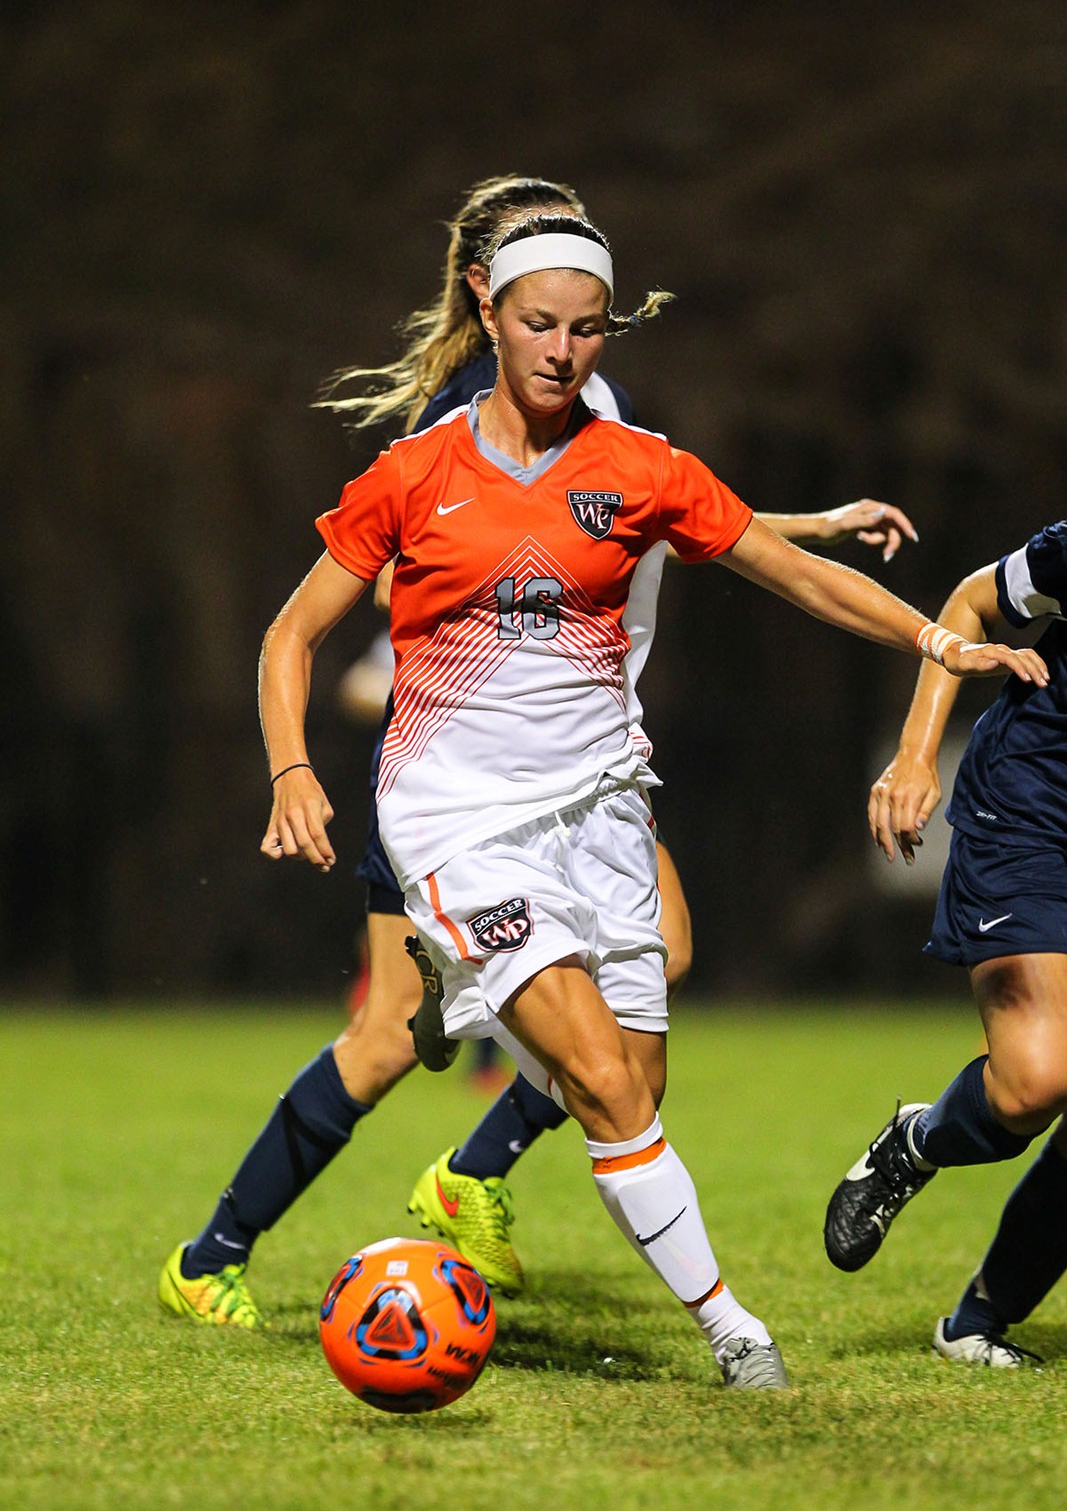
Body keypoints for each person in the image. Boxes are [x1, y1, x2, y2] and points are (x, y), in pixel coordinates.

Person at [249, 209, 1044, 1391]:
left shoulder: (640, 467)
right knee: (609, 1088)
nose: (561, 349)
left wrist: (936, 639)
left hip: (603, 810)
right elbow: (291, 634)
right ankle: (735, 1334)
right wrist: (292, 770)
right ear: (487, 311)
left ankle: (466, 999)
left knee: (630, 1080)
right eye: (538, 324)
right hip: (459, 819)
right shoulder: (416, 473)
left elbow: (794, 575)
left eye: (584, 329)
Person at [157, 174, 918, 1328]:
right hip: (465, 779)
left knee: (655, 960)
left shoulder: (597, 397)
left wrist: (807, 527)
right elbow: (420, 566)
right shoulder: (469, 410)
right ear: (491, 291)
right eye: (540, 298)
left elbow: (667, 515)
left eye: (583, 303)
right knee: (383, 1041)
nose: (563, 333)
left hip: (586, 773)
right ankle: (214, 1251)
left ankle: (472, 1166)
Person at [824, 525, 1066, 1368]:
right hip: (1032, 814)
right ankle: (917, 1142)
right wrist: (915, 755)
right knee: (1036, 1081)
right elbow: (969, 601)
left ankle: (974, 1324)